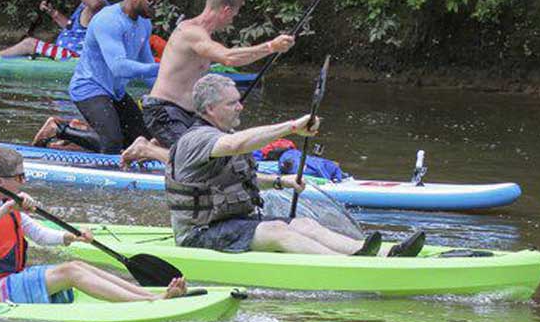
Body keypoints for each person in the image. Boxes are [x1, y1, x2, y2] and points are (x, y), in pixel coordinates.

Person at [165, 73, 425, 257]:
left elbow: (237, 181)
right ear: (210, 109)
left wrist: (280, 181)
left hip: (233, 223)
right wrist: (291, 128)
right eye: (232, 103)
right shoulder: (197, 139)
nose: (240, 107)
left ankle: (381, 252)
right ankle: (348, 265)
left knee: (304, 224)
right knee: (278, 230)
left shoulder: (222, 136)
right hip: (199, 235)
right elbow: (236, 145)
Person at [0, 146, 187, 304]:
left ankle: (151, 295)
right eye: (20, 177)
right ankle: (149, 302)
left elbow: (40, 235)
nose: (24, 181)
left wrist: (72, 237)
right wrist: (7, 208)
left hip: (9, 280)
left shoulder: (6, 204)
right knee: (70, 273)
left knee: (77, 264)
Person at [136, 0, 296, 155]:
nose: (231, 21)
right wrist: (271, 46)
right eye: (233, 16)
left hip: (190, 114)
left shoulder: (203, 34)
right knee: (197, 158)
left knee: (225, 149)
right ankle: (145, 149)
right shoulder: (191, 33)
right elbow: (228, 58)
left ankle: (160, 146)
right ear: (226, 10)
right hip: (164, 112)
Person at [33, 0, 165, 155]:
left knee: (144, 143)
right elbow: (119, 67)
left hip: (116, 93)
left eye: (158, 2)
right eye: (152, 2)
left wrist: (167, 93)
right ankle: (59, 130)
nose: (155, 8)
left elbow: (148, 67)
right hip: (89, 88)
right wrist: (163, 68)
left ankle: (78, 136)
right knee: (112, 144)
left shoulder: (145, 24)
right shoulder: (109, 20)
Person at [0, 0, 109, 60]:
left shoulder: (99, 4)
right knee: (27, 49)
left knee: (29, 43)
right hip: (66, 54)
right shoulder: (85, 4)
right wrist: (53, 13)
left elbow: (95, 5)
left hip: (75, 57)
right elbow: (71, 27)